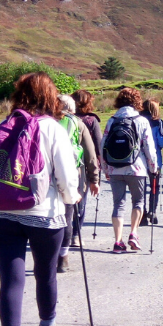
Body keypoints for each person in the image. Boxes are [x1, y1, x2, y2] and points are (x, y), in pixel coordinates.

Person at [0, 72, 80, 326]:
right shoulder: (52, 128)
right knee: (45, 274)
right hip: (44, 213)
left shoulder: (6, 124)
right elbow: (66, 175)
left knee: (10, 281)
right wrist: (71, 197)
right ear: (49, 96)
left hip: (1, 212)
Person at [102, 87, 158, 253]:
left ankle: (118, 241)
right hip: (137, 168)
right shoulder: (141, 121)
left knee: (118, 204)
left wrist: (105, 167)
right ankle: (133, 233)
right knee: (138, 201)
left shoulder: (112, 121)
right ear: (137, 101)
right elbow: (149, 146)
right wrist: (153, 167)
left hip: (115, 168)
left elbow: (103, 145)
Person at [57, 95, 99, 273]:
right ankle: (64, 255)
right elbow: (90, 154)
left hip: (47, 175)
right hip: (73, 174)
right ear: (72, 108)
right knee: (69, 213)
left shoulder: (46, 121)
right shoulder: (79, 123)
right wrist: (94, 178)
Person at [70, 89, 102, 249]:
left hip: (67, 163)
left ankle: (65, 233)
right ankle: (75, 235)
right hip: (85, 166)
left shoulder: (65, 120)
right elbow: (98, 145)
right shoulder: (91, 121)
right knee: (81, 199)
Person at [142, 99, 163, 226]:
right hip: (154, 159)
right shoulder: (159, 123)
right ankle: (152, 211)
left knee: (140, 188)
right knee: (154, 186)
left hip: (139, 159)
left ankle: (142, 213)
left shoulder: (137, 120)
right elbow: (162, 141)